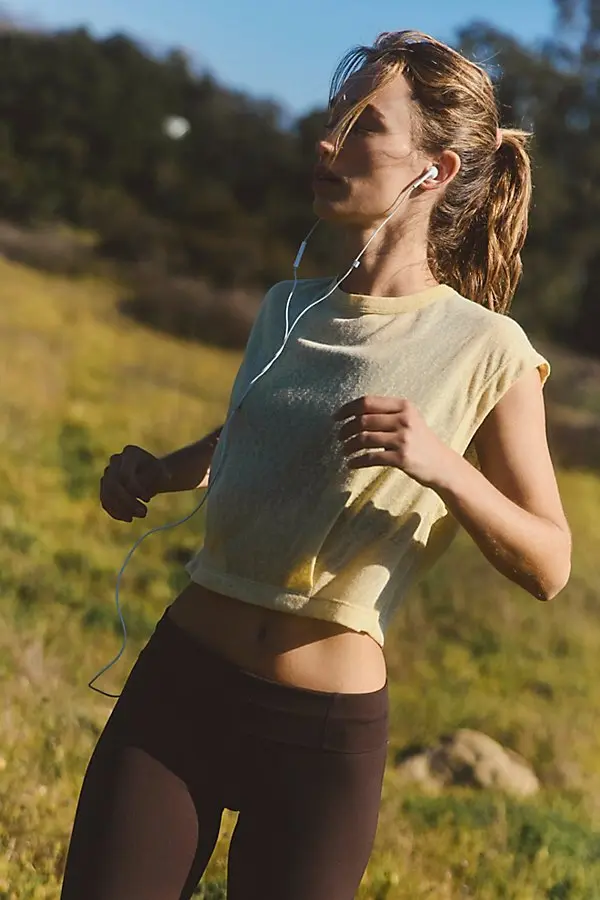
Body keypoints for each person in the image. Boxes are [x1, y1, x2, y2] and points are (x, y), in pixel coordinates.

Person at [60, 30, 572, 900]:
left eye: (365, 125)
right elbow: (257, 437)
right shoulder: (286, 306)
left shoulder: (489, 349)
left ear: (435, 170)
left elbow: (551, 564)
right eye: (335, 116)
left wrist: (441, 464)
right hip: (180, 686)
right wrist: (159, 472)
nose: (328, 141)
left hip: (320, 734)